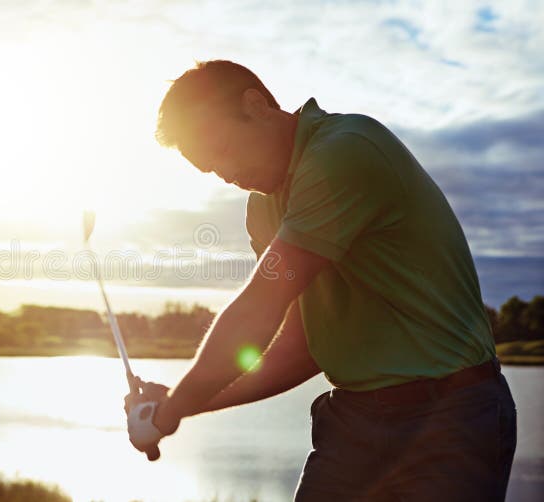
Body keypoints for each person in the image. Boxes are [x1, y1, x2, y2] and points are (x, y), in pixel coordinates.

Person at [123, 60, 517, 501]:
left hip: (451, 416)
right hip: (354, 421)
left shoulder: (345, 151)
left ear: (255, 105)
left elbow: (259, 308)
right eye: (211, 169)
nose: (227, 174)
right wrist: (178, 403)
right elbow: (300, 347)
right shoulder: (263, 210)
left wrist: (169, 412)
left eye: (224, 149)